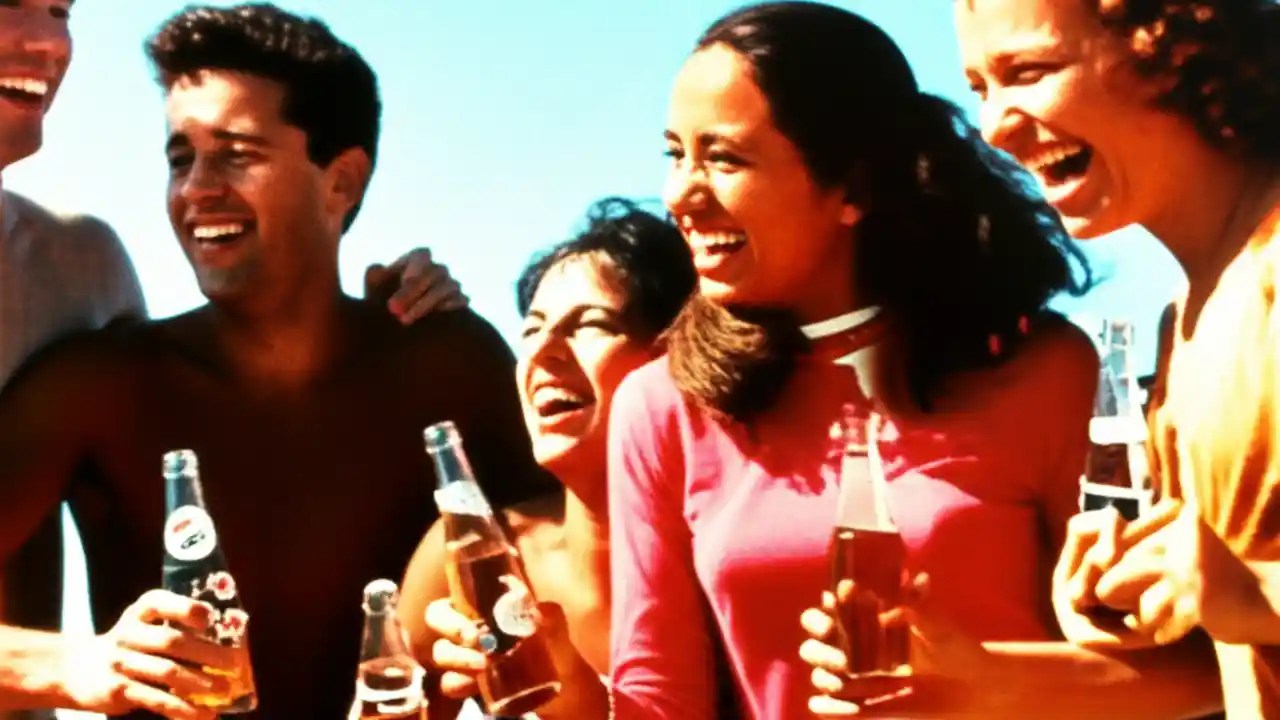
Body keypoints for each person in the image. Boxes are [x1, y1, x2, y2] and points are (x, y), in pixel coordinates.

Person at [589, 2, 1156, 718]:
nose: (681, 196)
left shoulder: (1042, 367)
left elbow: (1181, 670)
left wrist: (983, 680)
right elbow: (658, 699)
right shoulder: (661, 406)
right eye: (677, 155)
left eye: (724, 158)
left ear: (855, 187)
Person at [0, 4, 550, 718]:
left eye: (237, 154)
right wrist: (79, 661)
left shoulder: (449, 367)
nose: (198, 187)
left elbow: (580, 564)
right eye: (180, 158)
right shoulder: (98, 387)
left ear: (341, 183)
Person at [952, 0, 1280, 717]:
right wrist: (1139, 584)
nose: (994, 127)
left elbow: (1248, 593)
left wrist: (1250, 589)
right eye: (979, 88)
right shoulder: (1182, 321)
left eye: (1028, 72)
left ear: (1171, 47)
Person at [403, 197, 695, 719]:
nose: (544, 352)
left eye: (592, 325)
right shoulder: (474, 558)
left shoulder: (727, 569)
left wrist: (578, 703)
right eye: (533, 328)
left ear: (676, 356)